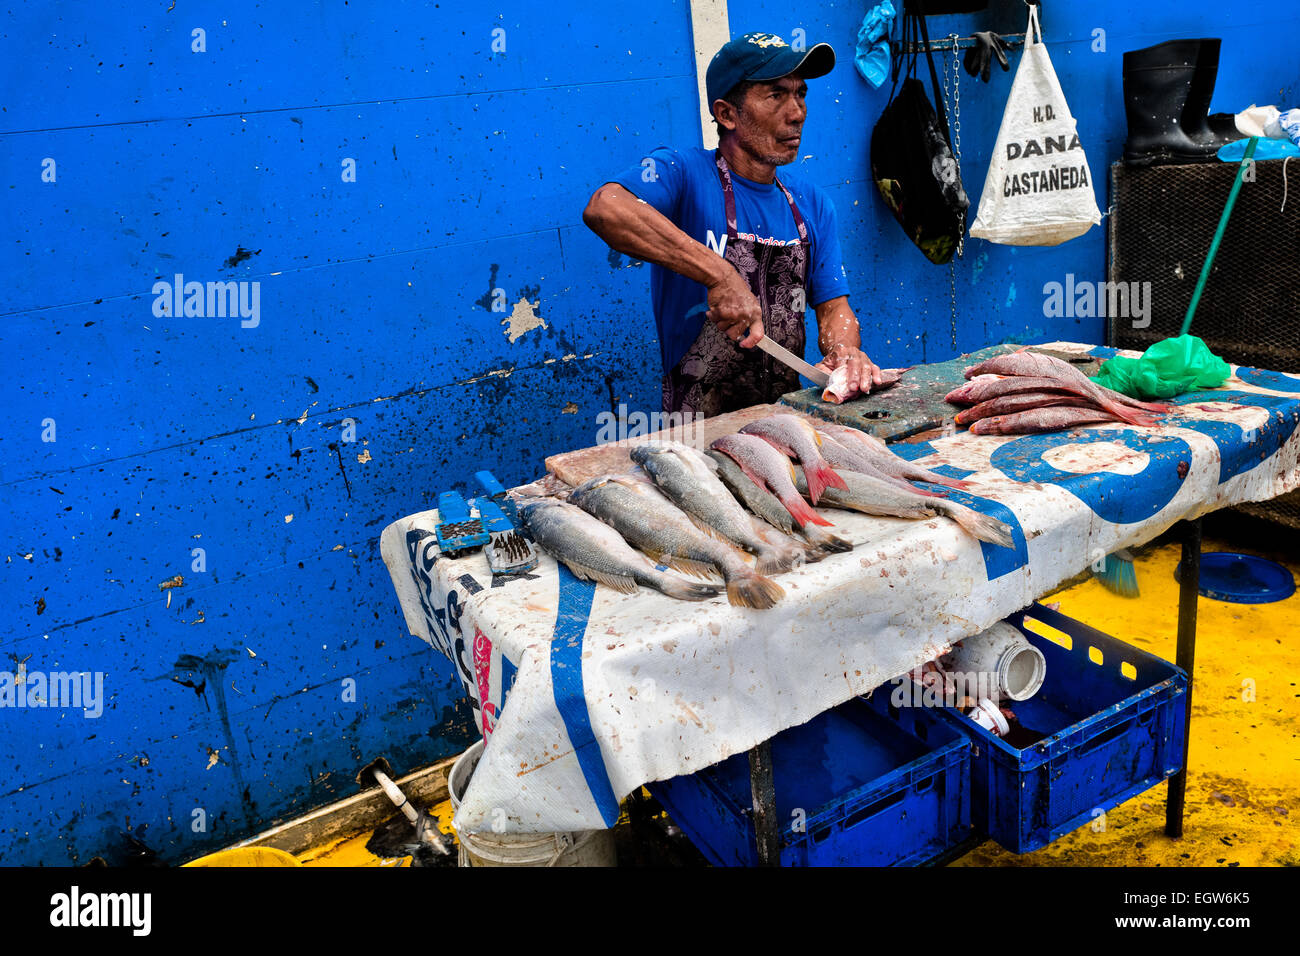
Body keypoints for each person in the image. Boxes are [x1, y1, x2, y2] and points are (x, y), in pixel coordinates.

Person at [583, 31, 882, 418]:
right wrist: (719, 275)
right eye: (776, 95)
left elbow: (834, 309)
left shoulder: (813, 204)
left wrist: (846, 352)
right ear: (727, 114)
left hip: (784, 421)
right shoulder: (682, 173)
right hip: (696, 429)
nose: (797, 112)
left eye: (801, 94)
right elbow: (606, 208)